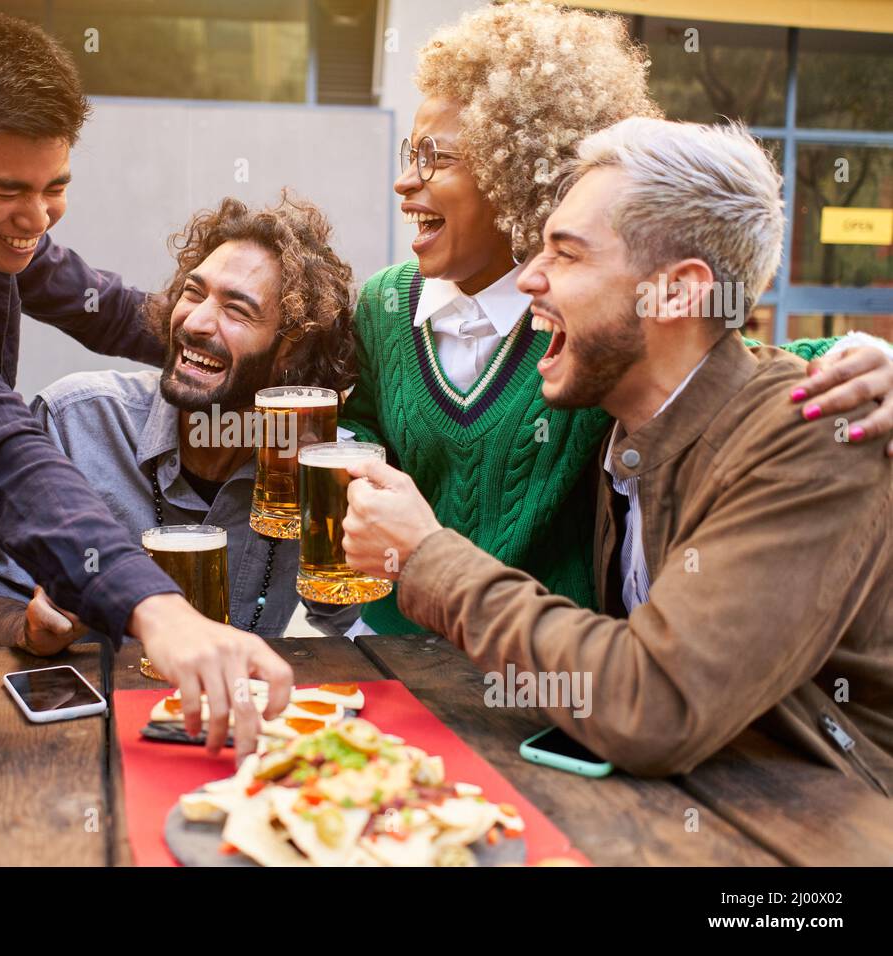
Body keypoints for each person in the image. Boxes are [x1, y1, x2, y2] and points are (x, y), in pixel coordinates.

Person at [341, 118, 893, 790]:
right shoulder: (616, 418)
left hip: (830, 827)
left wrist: (427, 558)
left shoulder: (817, 433)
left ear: (677, 290)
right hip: (693, 804)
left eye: (565, 255)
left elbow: (651, 703)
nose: (529, 280)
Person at [339, 1, 893, 639]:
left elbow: (727, 365)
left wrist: (865, 357)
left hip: (554, 664)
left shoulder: (596, 330)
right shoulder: (384, 304)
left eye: (436, 158)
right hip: (400, 649)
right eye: (411, 153)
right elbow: (362, 426)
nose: (405, 181)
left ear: (516, 174)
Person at [0, 10, 290, 754]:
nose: (36, 218)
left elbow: (112, 309)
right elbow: (3, 449)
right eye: (12, 189)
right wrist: (160, 612)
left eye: (57, 185)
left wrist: (247, 357)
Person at [0, 194, 361, 652]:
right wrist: (27, 629)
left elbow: (343, 614)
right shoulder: (77, 421)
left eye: (237, 310)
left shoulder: (310, 467)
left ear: (290, 348)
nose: (196, 321)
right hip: (89, 717)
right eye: (193, 292)